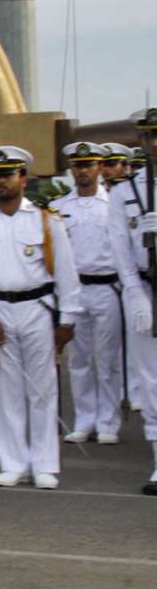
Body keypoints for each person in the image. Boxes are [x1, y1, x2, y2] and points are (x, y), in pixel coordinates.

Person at [0, 146, 82, 490]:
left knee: (42, 389)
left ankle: (44, 465)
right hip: (0, 309)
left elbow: (66, 273)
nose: (1, 182)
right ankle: (13, 464)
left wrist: (67, 319)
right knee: (6, 391)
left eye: (8, 175)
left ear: (23, 179)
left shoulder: (46, 220)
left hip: (38, 308)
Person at [56, 142, 124, 445]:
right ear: (72, 170)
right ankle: (84, 420)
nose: (82, 171)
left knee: (107, 359)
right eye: (78, 166)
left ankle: (108, 422)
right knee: (79, 359)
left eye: (88, 165)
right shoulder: (60, 207)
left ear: (99, 168)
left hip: (107, 287)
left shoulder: (113, 203)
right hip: (75, 290)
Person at [107, 109, 157, 494]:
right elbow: (121, 252)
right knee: (151, 379)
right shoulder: (124, 193)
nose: (154, 143)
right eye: (148, 136)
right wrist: (135, 294)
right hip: (144, 286)